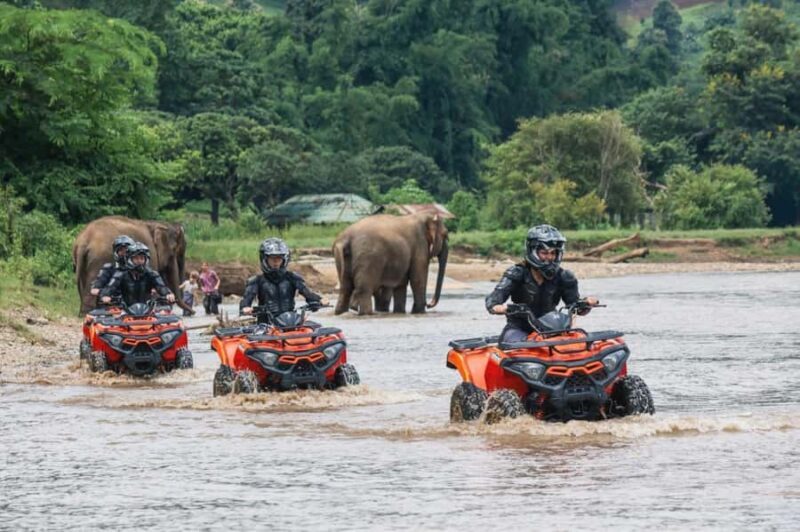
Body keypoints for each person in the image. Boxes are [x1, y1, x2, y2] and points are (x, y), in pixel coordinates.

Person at [485, 224, 599, 343]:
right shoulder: (516, 273)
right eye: (544, 253)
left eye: (553, 253)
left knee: (581, 341)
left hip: (552, 329)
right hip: (520, 329)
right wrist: (502, 308)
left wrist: (586, 303)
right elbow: (493, 300)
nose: (549, 257)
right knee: (514, 342)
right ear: (533, 251)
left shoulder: (565, 276)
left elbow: (575, 306)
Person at [240, 237, 324, 322]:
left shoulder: (292, 277)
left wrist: (319, 300)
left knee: (314, 327)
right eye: (272, 258)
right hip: (266, 324)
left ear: (284, 259)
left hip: (290, 321)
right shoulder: (256, 281)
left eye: (279, 258)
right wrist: (245, 308)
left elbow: (307, 293)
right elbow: (246, 300)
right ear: (265, 259)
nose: (276, 261)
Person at [100, 242, 175, 306]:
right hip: (125, 310)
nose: (139, 261)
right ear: (129, 259)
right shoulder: (121, 274)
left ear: (146, 260)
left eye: (142, 258)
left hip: (148, 310)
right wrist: (105, 296)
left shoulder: (151, 274)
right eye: (136, 258)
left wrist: (167, 294)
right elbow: (109, 288)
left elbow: (160, 286)